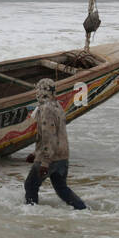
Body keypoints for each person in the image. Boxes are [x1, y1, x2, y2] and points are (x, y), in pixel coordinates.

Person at [24, 78, 86, 209]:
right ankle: (82, 209)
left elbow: (49, 136)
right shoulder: (58, 106)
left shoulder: (45, 109)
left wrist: (45, 162)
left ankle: (31, 213)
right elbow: (56, 134)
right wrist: (35, 153)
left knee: (30, 185)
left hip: (50, 157)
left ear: (41, 92)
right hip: (63, 156)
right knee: (62, 189)